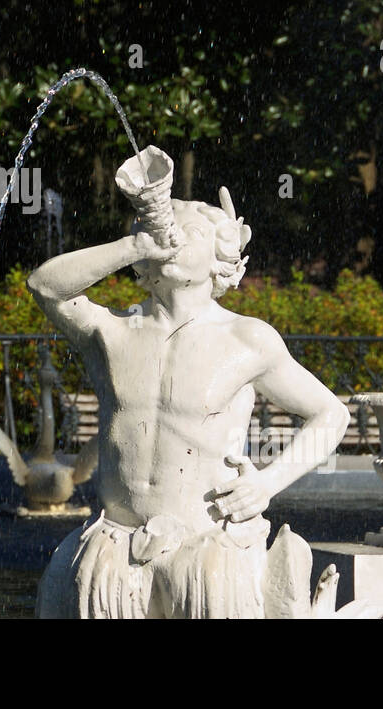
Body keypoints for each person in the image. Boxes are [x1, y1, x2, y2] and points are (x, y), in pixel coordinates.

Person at [29, 148, 348, 618]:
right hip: (116, 548)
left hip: (209, 549)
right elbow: (44, 285)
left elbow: (331, 414)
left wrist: (268, 484)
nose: (173, 237)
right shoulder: (111, 332)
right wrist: (133, 247)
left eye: (190, 232)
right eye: (166, 228)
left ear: (222, 256)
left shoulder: (247, 338)